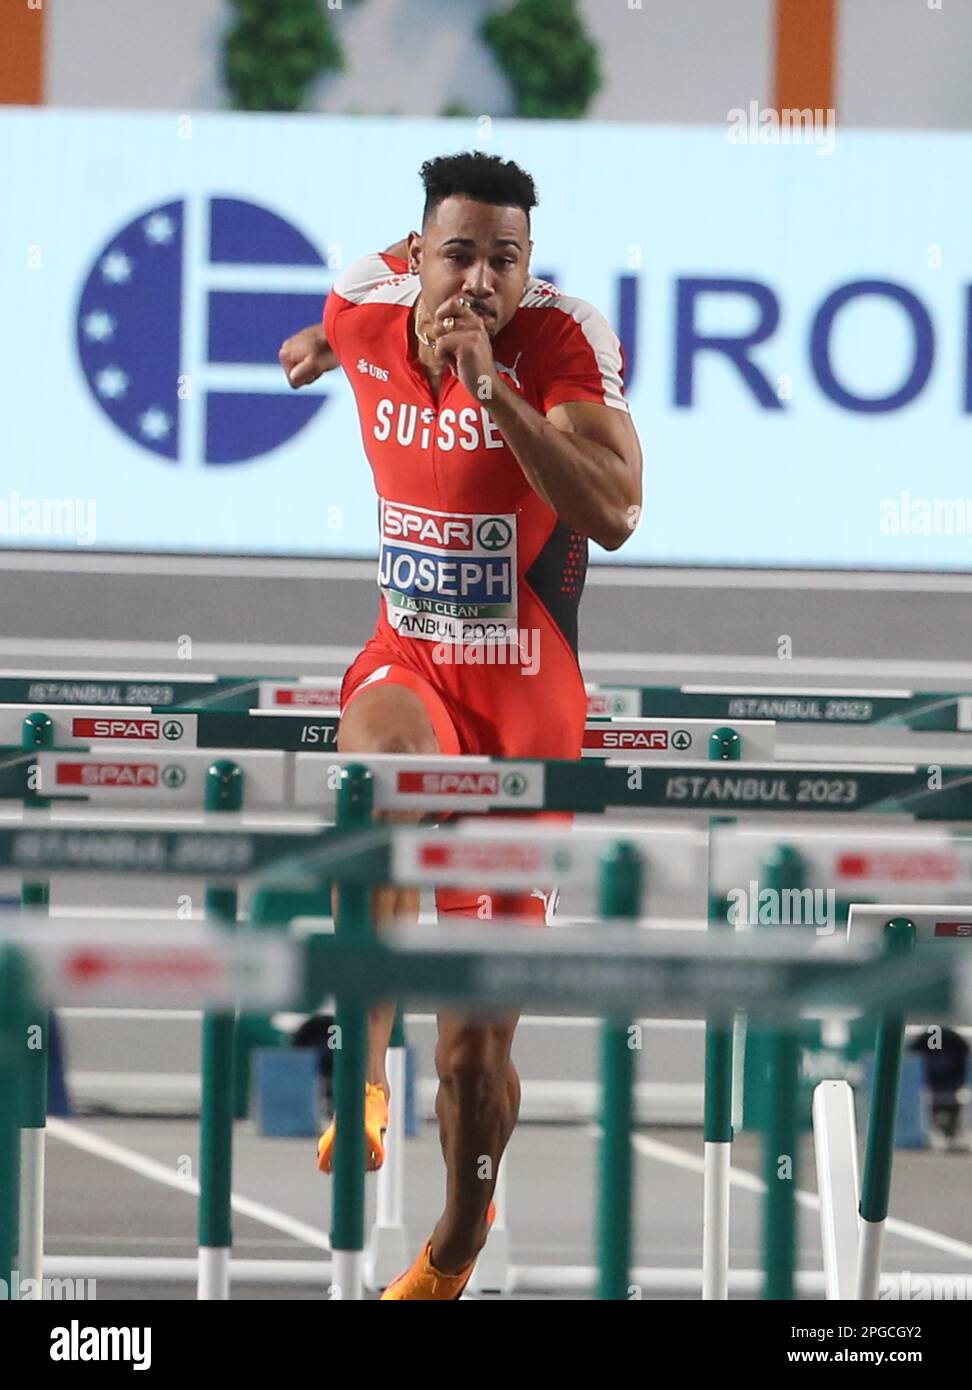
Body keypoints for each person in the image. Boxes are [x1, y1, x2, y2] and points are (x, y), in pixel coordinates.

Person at [279, 150, 643, 1299]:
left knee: (478, 1051)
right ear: (415, 252)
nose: (483, 281)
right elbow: (339, 320)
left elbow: (619, 510)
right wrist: (314, 344)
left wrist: (497, 391)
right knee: (375, 768)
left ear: (530, 264)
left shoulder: (562, 338)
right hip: (412, 663)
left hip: (528, 703)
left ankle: (455, 1246)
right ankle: (361, 1069)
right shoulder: (367, 299)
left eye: (507, 259)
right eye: (460, 255)